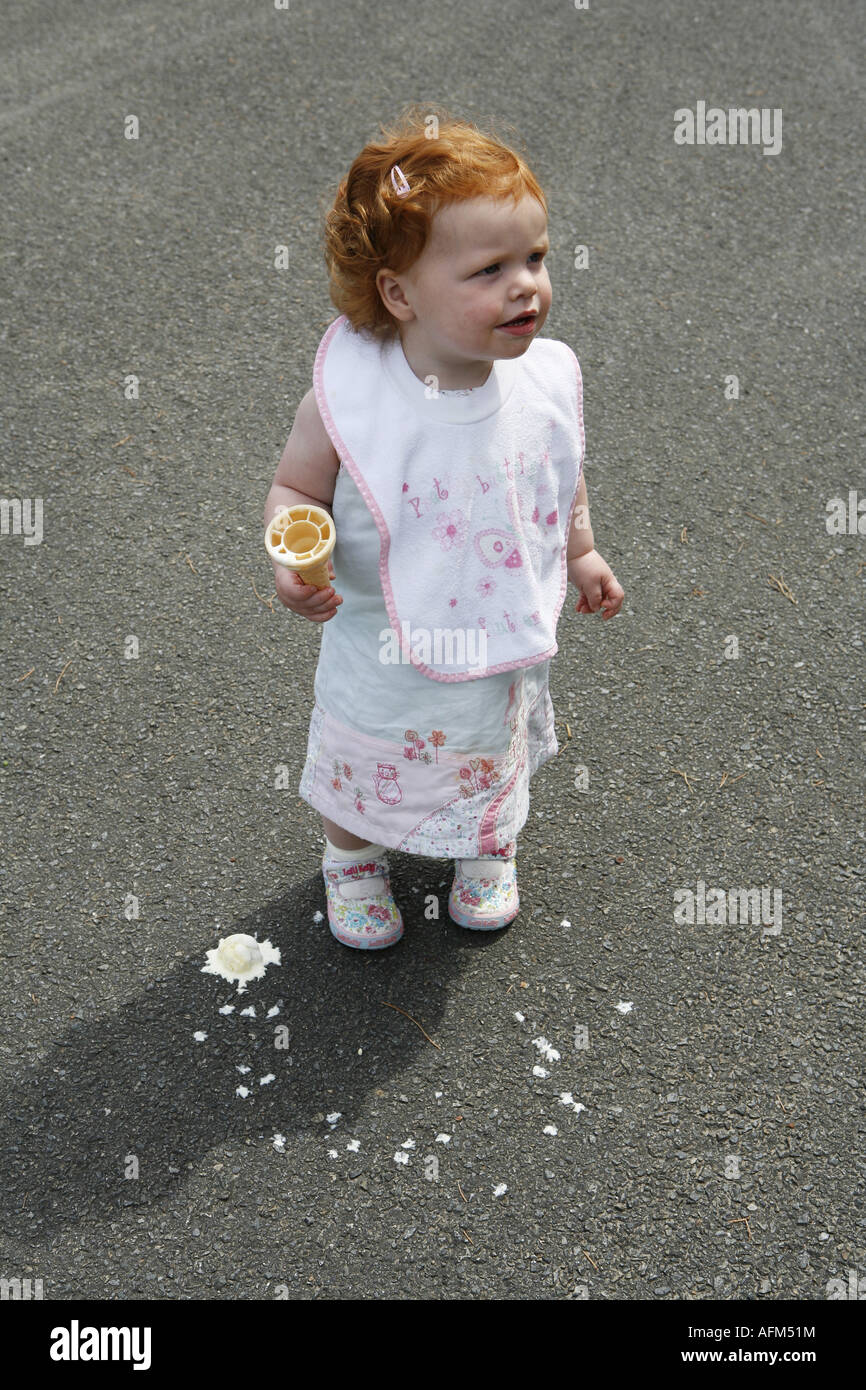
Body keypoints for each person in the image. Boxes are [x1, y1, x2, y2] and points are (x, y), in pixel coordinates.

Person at [263, 106, 625, 951]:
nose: (525, 284)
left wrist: (580, 550)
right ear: (398, 293)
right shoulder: (352, 399)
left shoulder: (541, 381)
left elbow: (553, 473)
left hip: (496, 625)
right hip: (381, 636)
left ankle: (483, 844)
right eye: (488, 269)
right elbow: (294, 487)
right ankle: (351, 858)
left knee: (483, 745)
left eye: (534, 258)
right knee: (367, 749)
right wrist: (294, 556)